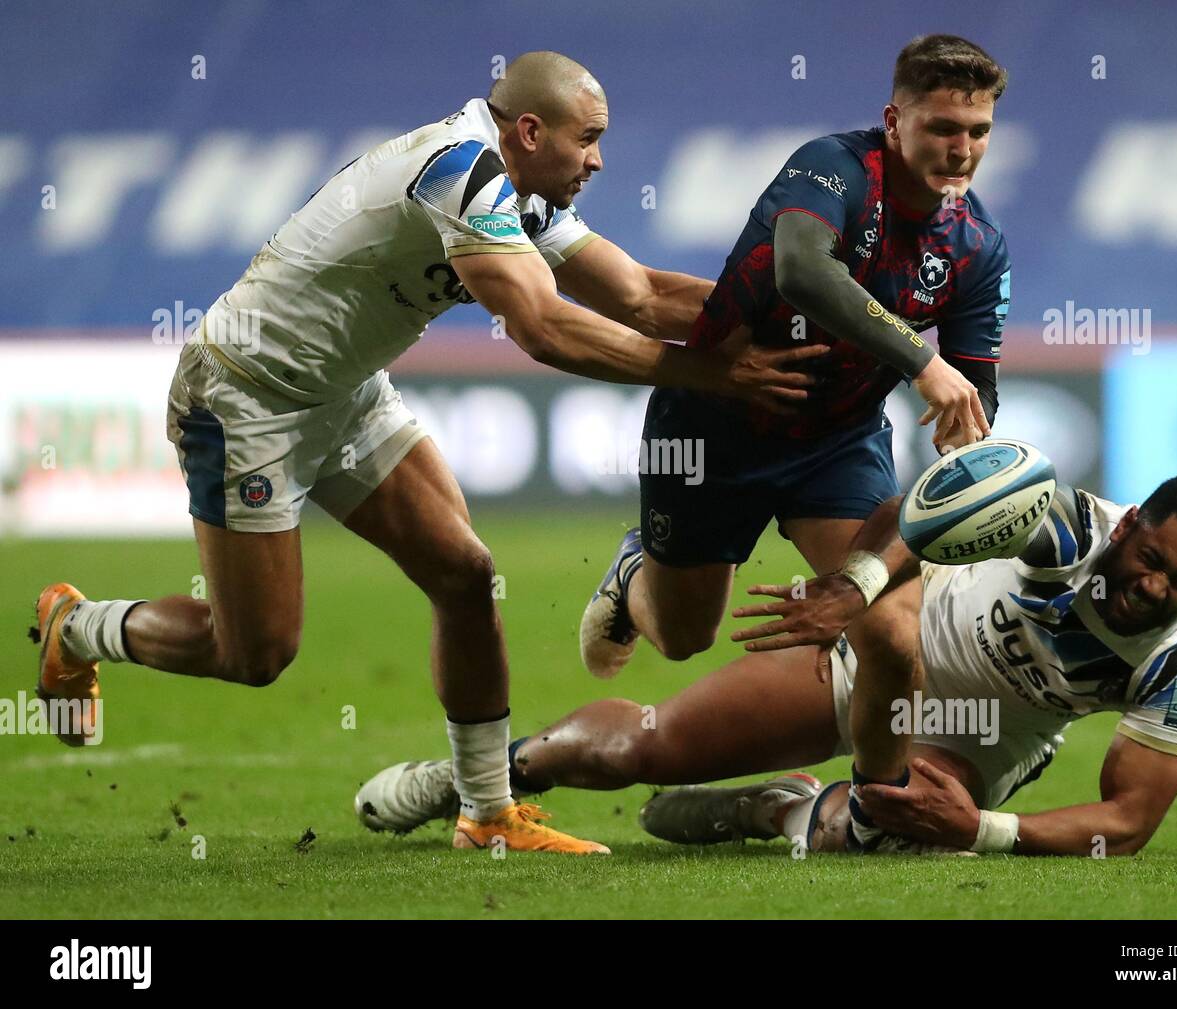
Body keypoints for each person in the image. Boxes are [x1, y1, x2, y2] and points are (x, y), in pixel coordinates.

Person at [30, 51, 825, 857]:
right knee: (254, 652)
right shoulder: (459, 174)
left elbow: (642, 294)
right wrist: (714, 373)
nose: (598, 159)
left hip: (345, 394)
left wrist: (792, 312)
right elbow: (540, 326)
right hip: (246, 394)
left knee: (465, 572)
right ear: (529, 130)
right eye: (587, 139)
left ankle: (486, 812)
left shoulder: (524, 195)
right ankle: (79, 625)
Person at [356, 475, 1177, 858]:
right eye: (1149, 559)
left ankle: (775, 805)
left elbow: (1128, 821)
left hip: (979, 739)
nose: (1150, 587)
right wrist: (857, 586)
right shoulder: (1061, 524)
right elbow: (917, 508)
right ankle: (476, 779)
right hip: (888, 651)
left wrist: (982, 829)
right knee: (636, 752)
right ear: (1126, 530)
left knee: (881, 836)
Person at [580, 34, 1011, 681]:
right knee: (682, 635)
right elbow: (802, 270)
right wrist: (924, 361)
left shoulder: (978, 247)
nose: (963, 150)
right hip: (713, 424)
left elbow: (977, 402)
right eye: (944, 127)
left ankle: (879, 786)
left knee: (894, 631)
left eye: (978, 131)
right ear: (894, 122)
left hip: (837, 442)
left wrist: (965, 461)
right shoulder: (832, 168)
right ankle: (633, 571)